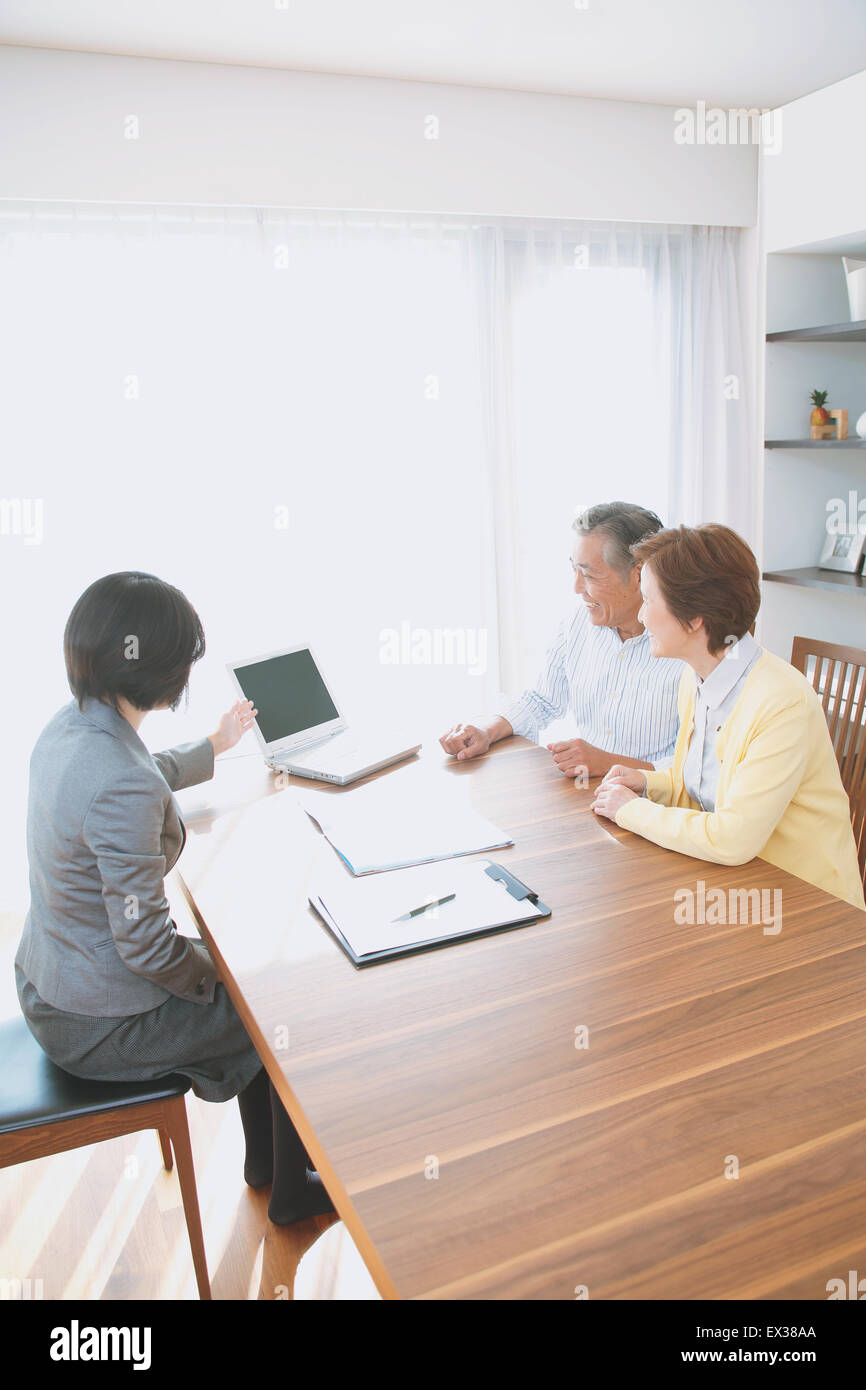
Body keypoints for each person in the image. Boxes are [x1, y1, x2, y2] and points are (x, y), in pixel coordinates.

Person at [15, 571, 336, 1224]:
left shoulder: (69, 727)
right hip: (96, 1026)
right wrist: (221, 978)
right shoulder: (120, 783)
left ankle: (268, 1163)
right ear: (166, 675)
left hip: (49, 983)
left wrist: (214, 746)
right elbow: (145, 946)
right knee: (276, 996)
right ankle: (294, 1185)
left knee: (247, 977)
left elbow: (137, 776)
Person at [591, 525, 865, 912]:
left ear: (695, 617)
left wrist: (630, 809)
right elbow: (707, 787)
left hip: (813, 906)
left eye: (649, 600)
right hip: (744, 888)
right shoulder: (697, 677)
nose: (640, 615)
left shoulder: (781, 701)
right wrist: (649, 784)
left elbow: (732, 838)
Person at [440, 501, 684, 777]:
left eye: (590, 575)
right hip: (589, 797)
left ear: (639, 575)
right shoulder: (577, 624)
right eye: (574, 571)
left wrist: (613, 765)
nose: (577, 588)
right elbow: (542, 700)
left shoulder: (688, 645)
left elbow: (700, 770)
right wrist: (486, 730)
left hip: (656, 810)